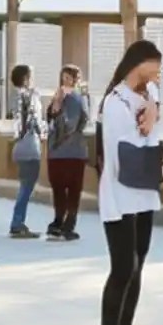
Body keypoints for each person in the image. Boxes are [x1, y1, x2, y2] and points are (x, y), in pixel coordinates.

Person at [95, 40, 163, 325]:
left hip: (145, 191)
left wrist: (152, 112)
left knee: (138, 269)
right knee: (124, 267)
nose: (159, 73)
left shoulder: (151, 96)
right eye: (156, 65)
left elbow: (153, 138)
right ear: (140, 63)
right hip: (119, 192)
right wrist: (148, 122)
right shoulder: (116, 100)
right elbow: (124, 148)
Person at [46, 65, 90, 241]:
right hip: (58, 152)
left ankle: (67, 224)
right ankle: (59, 221)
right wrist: (55, 105)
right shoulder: (59, 97)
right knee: (59, 188)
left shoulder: (78, 98)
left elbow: (73, 124)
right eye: (63, 78)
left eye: (70, 78)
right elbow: (50, 119)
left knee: (72, 189)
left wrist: (57, 110)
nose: (66, 82)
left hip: (73, 151)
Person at [8, 63, 44, 239]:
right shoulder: (28, 97)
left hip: (20, 146)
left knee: (25, 185)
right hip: (29, 146)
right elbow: (33, 122)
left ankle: (18, 221)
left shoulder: (15, 97)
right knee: (26, 186)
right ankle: (17, 222)